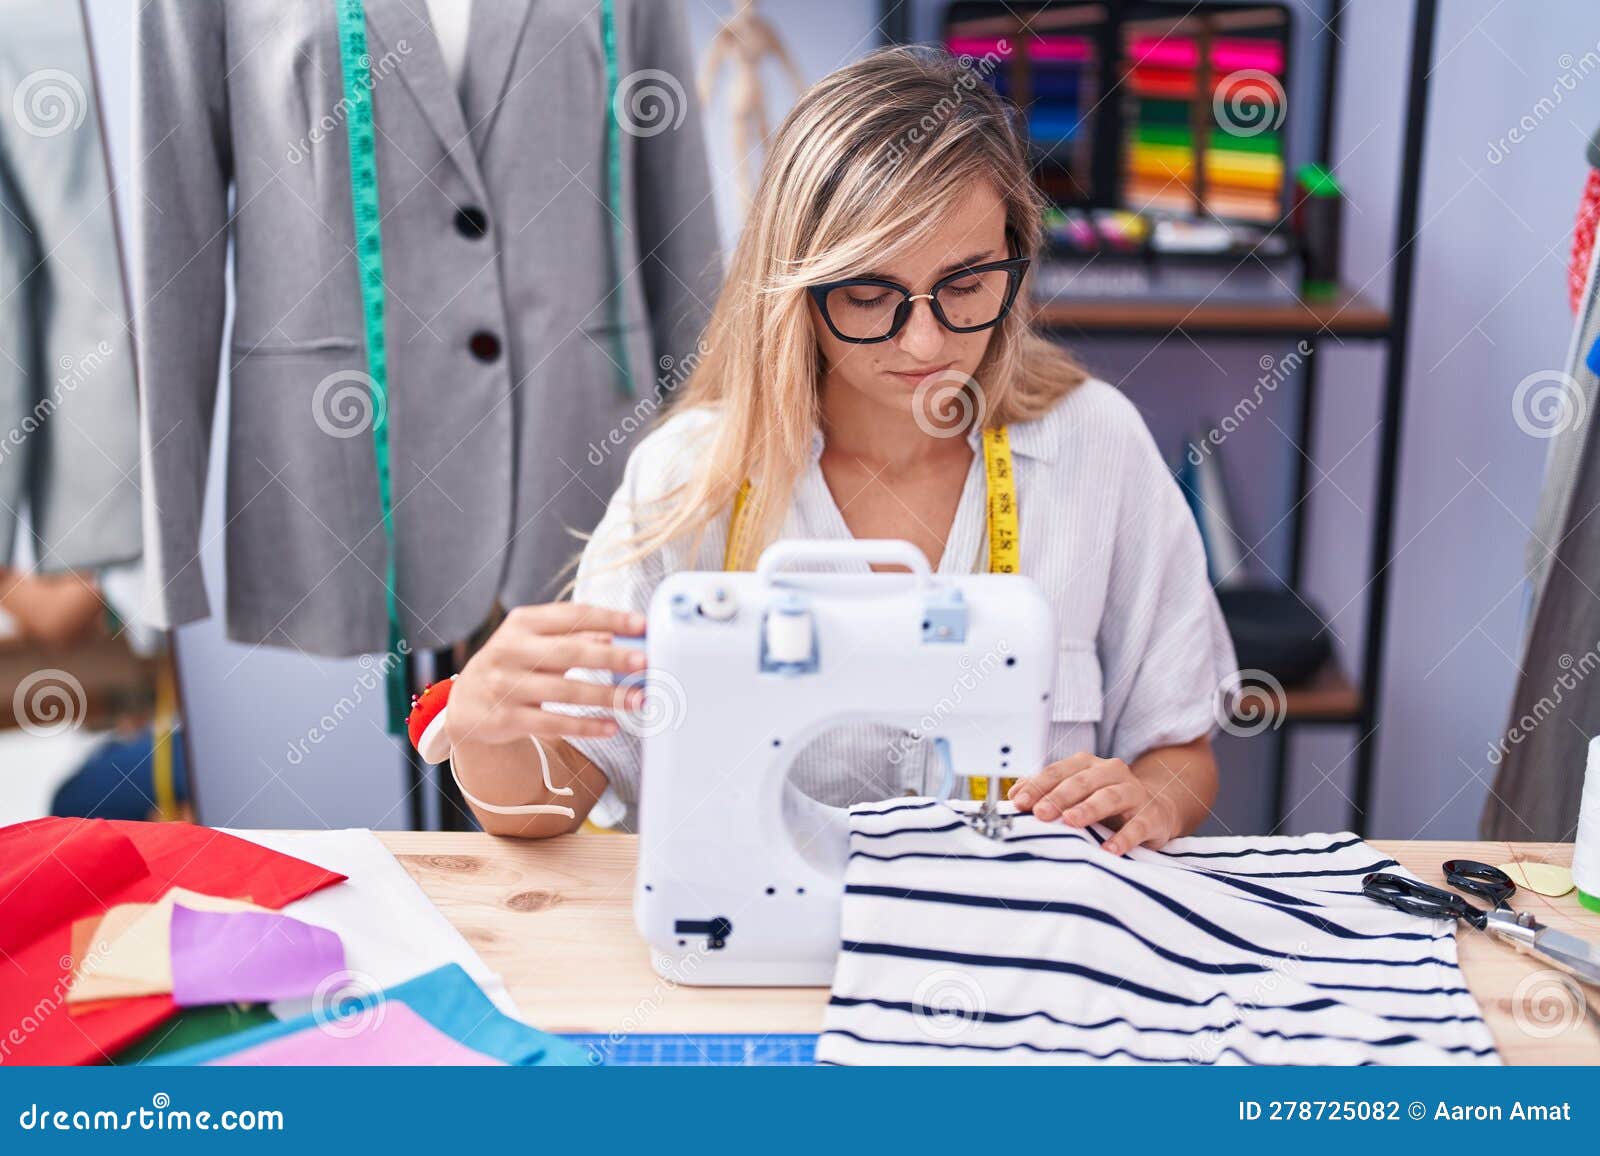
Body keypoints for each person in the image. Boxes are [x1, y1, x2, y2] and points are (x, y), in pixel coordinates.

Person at [444, 46, 1237, 854]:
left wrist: (1150, 800)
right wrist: (490, 728)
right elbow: (549, 808)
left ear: (1016, 252)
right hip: (744, 967)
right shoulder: (689, 478)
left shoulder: (1097, 444)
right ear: (794, 286)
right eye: (868, 294)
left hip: (1010, 961)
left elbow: (1179, 746)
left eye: (965, 285)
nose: (926, 340)